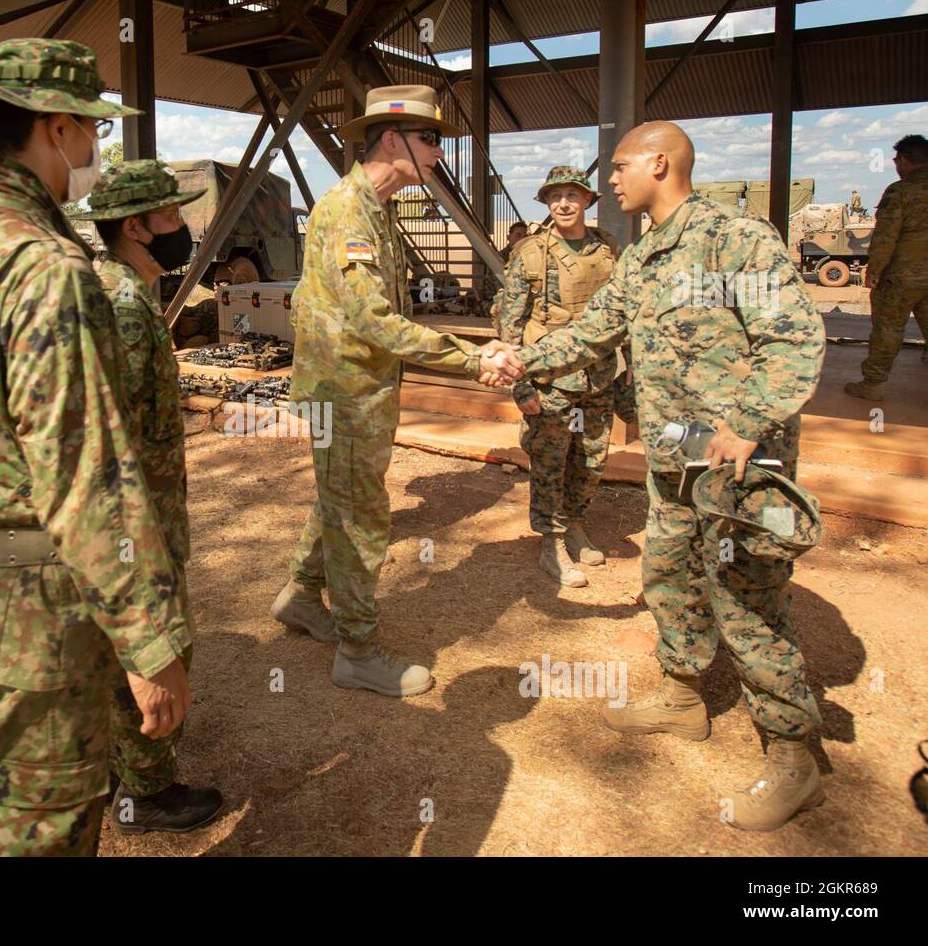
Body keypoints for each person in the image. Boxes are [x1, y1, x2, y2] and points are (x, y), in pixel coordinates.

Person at [481, 121, 827, 832]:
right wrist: (520, 360)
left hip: (733, 457)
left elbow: (791, 337)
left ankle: (795, 756)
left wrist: (748, 421)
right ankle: (681, 695)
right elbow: (594, 331)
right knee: (668, 574)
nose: (609, 180)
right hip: (675, 453)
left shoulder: (734, 239)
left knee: (747, 597)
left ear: (659, 164)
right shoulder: (639, 259)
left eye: (620, 167)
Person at [0, 38, 193, 856]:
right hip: (41, 609)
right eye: (91, 132)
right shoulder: (47, 265)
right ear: (59, 130)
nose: (94, 151)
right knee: (34, 828)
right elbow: (84, 471)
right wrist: (148, 639)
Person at [270, 84, 504, 698]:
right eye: (430, 140)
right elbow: (374, 319)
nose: (437, 153)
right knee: (360, 515)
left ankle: (300, 595)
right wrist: (472, 360)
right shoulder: (349, 211)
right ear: (392, 139)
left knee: (338, 498)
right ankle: (357, 650)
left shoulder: (376, 210)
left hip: (357, 387)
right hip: (345, 393)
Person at [83, 159, 224, 834]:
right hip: (137, 520)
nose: (185, 228)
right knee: (156, 645)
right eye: (172, 217)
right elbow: (109, 444)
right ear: (135, 227)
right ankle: (146, 788)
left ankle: (125, 766)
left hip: (147, 512)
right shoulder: (122, 306)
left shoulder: (129, 295)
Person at [495, 166, 619, 587]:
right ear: (547, 204)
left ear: (587, 201)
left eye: (572, 195)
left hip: (597, 375)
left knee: (591, 459)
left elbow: (624, 313)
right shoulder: (530, 253)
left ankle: (577, 525)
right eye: (554, 197)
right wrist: (520, 383)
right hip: (549, 380)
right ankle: (553, 544)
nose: (563, 204)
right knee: (550, 463)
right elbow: (510, 324)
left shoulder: (608, 249)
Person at [844, 134, 928, 400]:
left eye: (896, 161)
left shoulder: (901, 191)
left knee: (888, 330)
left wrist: (874, 272)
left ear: (903, 160)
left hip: (903, 277)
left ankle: (873, 383)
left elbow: (885, 238)